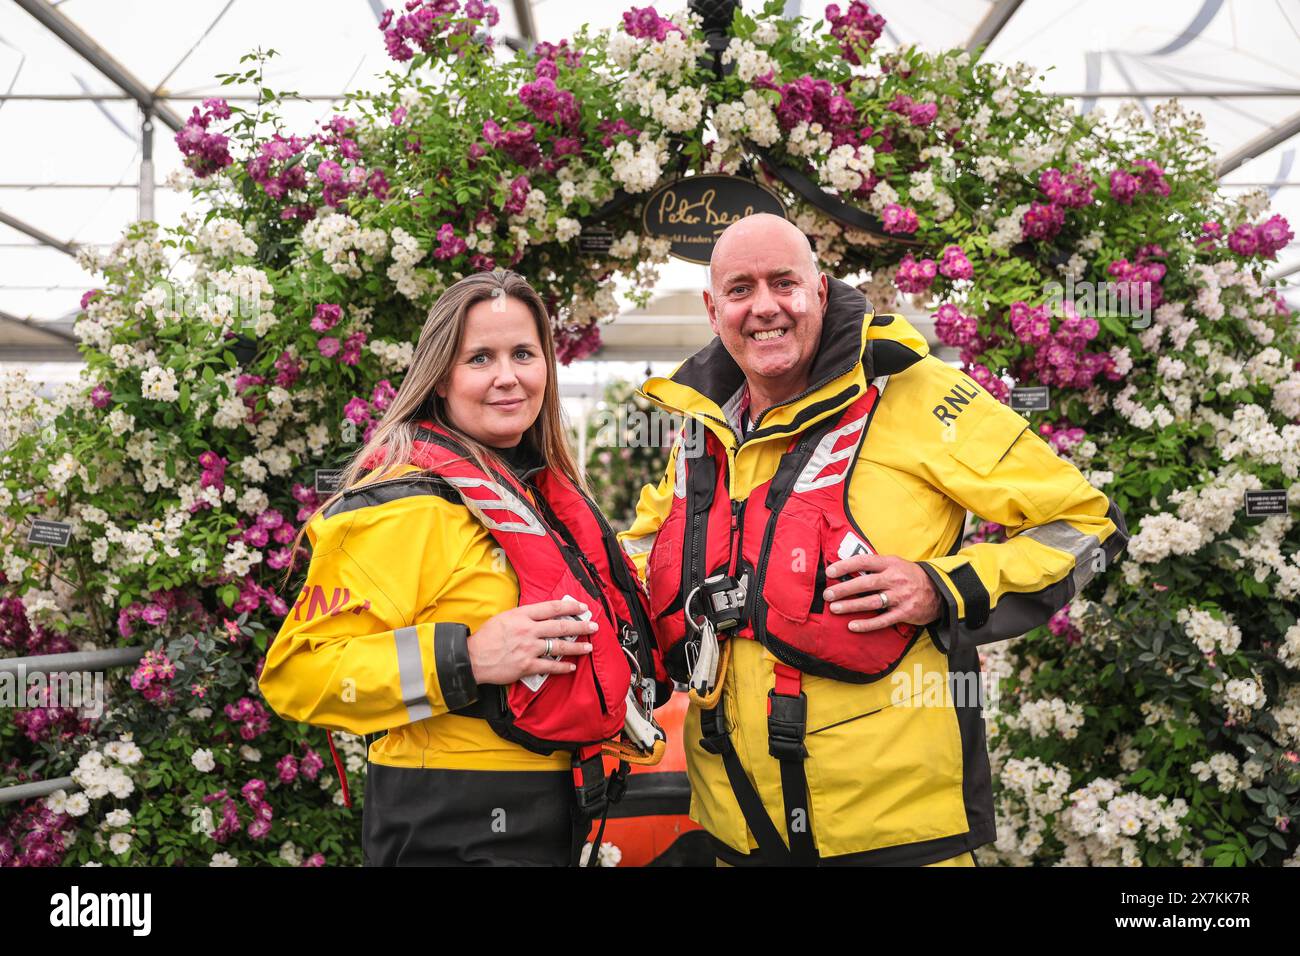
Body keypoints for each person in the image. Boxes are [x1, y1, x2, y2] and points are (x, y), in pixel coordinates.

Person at [619, 213, 1130, 866]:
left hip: (896, 838)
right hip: (735, 835)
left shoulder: (918, 395)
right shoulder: (698, 428)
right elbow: (640, 554)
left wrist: (942, 586)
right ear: (713, 308)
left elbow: (1086, 526)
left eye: (785, 282)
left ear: (822, 291)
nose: (765, 307)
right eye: (741, 289)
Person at [260, 270, 662, 866]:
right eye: (480, 358)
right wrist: (467, 659)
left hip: (557, 816)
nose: (508, 376)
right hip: (450, 826)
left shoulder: (539, 497)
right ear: (441, 379)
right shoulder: (399, 509)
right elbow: (298, 674)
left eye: (523, 353)